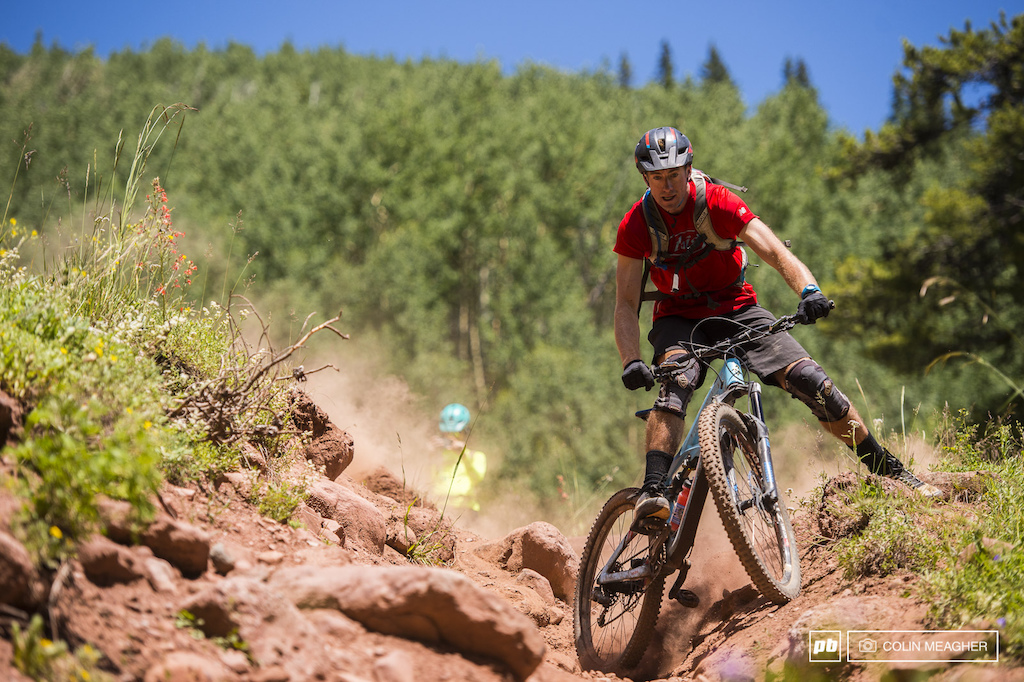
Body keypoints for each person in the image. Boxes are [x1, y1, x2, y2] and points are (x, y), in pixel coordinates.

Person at [614, 126, 942, 521]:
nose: (667, 187)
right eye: (657, 178)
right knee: (674, 385)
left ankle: (893, 473)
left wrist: (809, 290)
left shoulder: (715, 201)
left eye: (674, 175)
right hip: (678, 318)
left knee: (814, 384)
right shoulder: (637, 223)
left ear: (688, 170)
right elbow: (626, 302)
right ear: (645, 178)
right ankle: (653, 494)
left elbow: (769, 246)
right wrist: (630, 360)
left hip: (736, 308)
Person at [433, 403, 487, 513]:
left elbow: (477, 478)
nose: (452, 437)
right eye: (447, 432)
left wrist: (464, 455)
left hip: (467, 511)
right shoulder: (436, 455)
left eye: (457, 433)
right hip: (439, 509)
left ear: (466, 431)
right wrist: (430, 454)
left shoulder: (476, 456)